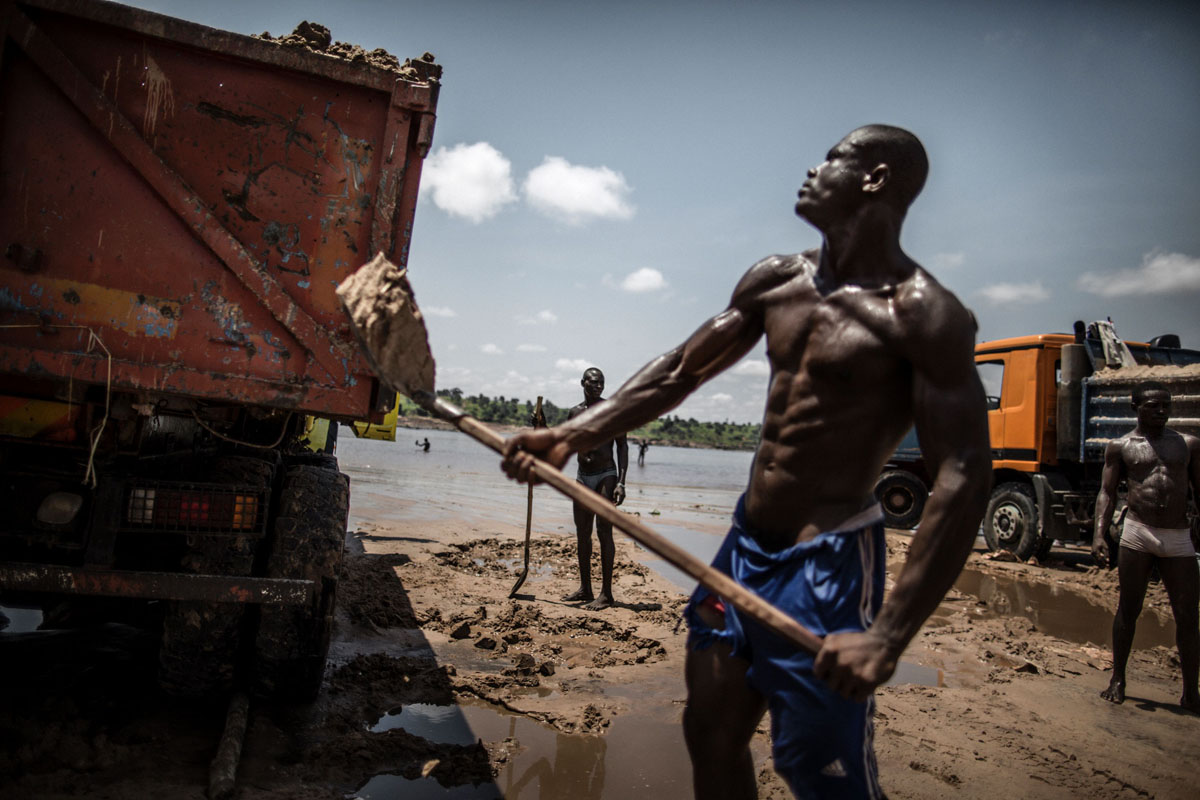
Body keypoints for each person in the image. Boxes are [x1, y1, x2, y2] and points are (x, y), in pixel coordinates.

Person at [501, 125, 991, 799]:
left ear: (874, 179)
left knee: (822, 773)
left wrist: (888, 635)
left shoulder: (923, 315)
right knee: (710, 732)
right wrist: (571, 434)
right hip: (743, 549)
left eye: (833, 159)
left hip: (828, 563)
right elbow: (679, 369)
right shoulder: (778, 281)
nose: (812, 170)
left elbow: (963, 475)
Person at [1093, 381, 1200, 712]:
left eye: (1166, 405)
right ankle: (1118, 679)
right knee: (1129, 608)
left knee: (1187, 614)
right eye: (1154, 405)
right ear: (1135, 408)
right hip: (1138, 532)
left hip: (1178, 535)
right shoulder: (1121, 446)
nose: (1162, 411)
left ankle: (1191, 691)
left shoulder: (1188, 444)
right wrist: (1099, 534)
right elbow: (1108, 492)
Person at [560, 368, 628, 610]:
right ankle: (585, 588)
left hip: (606, 476)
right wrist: (541, 428)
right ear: (583, 383)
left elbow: (622, 446)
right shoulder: (575, 413)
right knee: (582, 533)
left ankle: (606, 594)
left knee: (603, 531)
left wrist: (621, 482)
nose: (598, 386)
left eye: (601, 383)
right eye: (593, 382)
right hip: (582, 477)